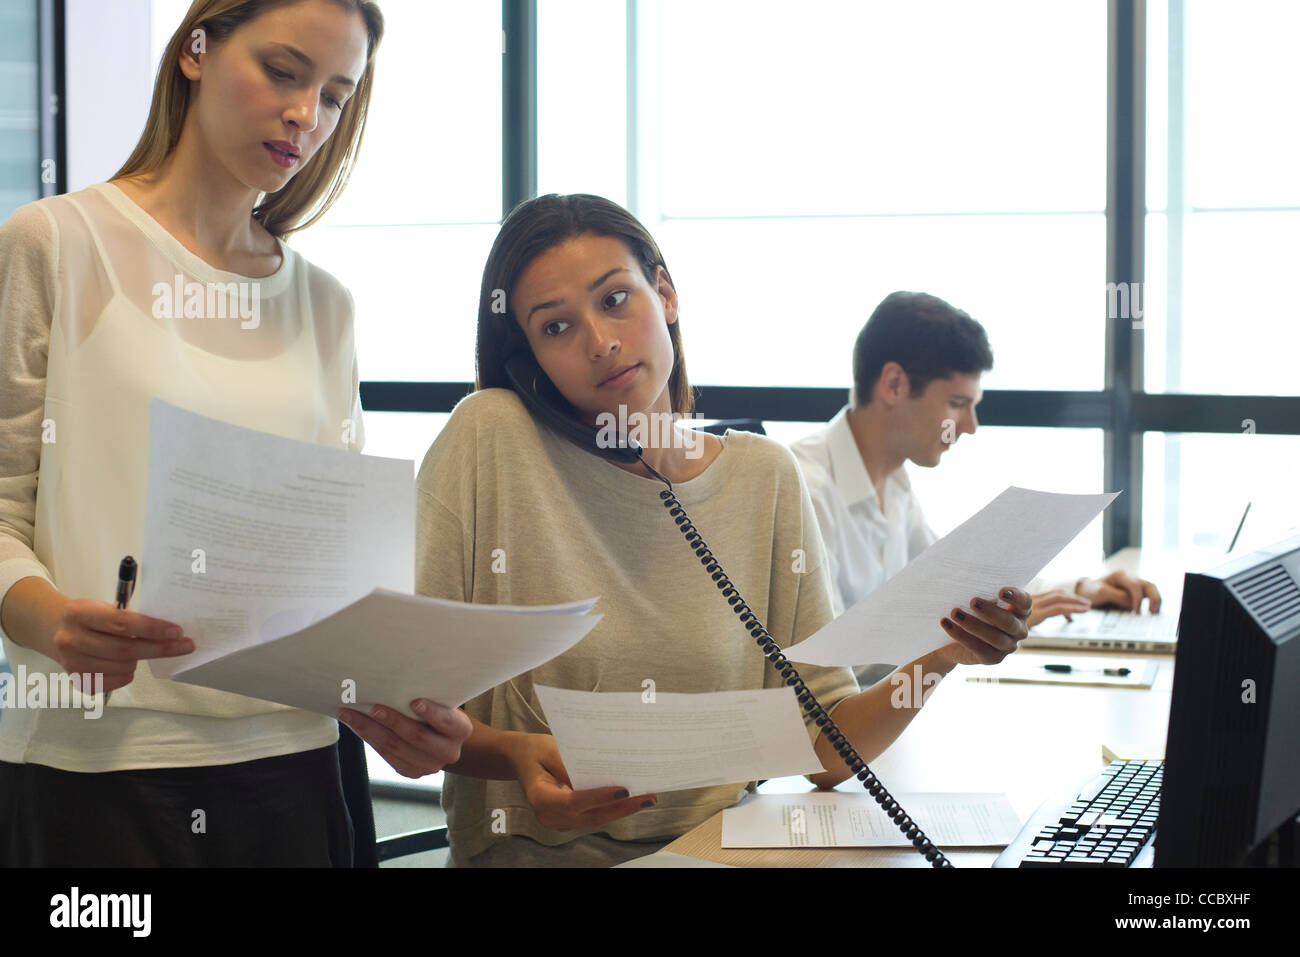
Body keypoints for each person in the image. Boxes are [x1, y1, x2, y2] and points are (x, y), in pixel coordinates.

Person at [386, 194, 1031, 867]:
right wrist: (516, 756)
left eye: (614, 300)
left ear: (664, 293)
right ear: (529, 363)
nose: (600, 341)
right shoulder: (491, 438)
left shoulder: (766, 479)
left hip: (721, 852)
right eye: (555, 329)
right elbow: (411, 703)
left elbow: (825, 744)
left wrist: (946, 655)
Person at [0, 0, 469, 867]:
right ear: (196, 51)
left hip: (298, 769)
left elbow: (337, 564)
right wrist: (52, 619)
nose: (307, 116)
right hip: (98, 769)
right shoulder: (55, 245)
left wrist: (400, 702)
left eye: (335, 95)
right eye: (285, 72)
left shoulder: (326, 306)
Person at [789, 291, 1162, 644]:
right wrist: (980, 632)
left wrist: (1081, 590)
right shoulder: (804, 491)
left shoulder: (895, 482)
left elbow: (958, 587)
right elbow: (832, 667)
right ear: (894, 384)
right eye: (956, 403)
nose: (969, 425)